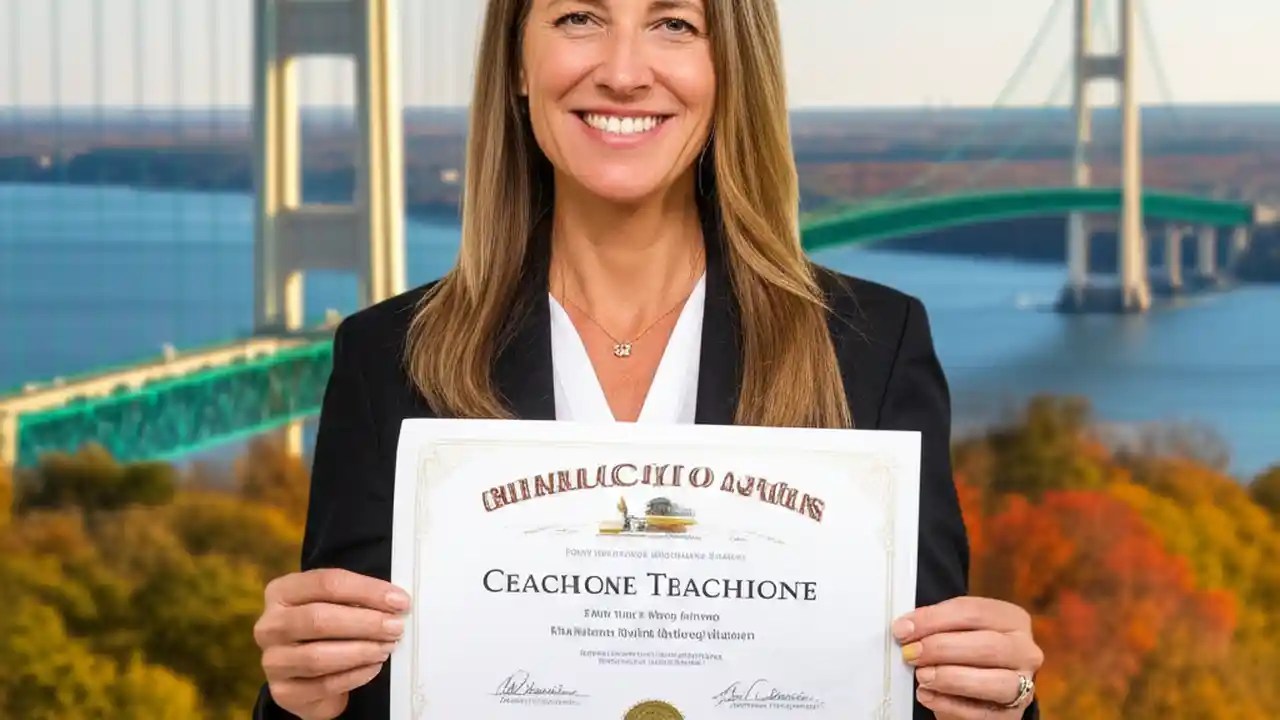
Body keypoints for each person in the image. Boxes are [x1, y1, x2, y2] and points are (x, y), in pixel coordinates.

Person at [252, 0, 1044, 718]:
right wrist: (298, 701)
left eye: (674, 24)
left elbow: (922, 694)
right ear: (517, 66)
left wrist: (1001, 702)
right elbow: (357, 699)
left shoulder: (870, 344)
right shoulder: (387, 358)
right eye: (578, 19)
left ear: (730, 69)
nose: (625, 73)